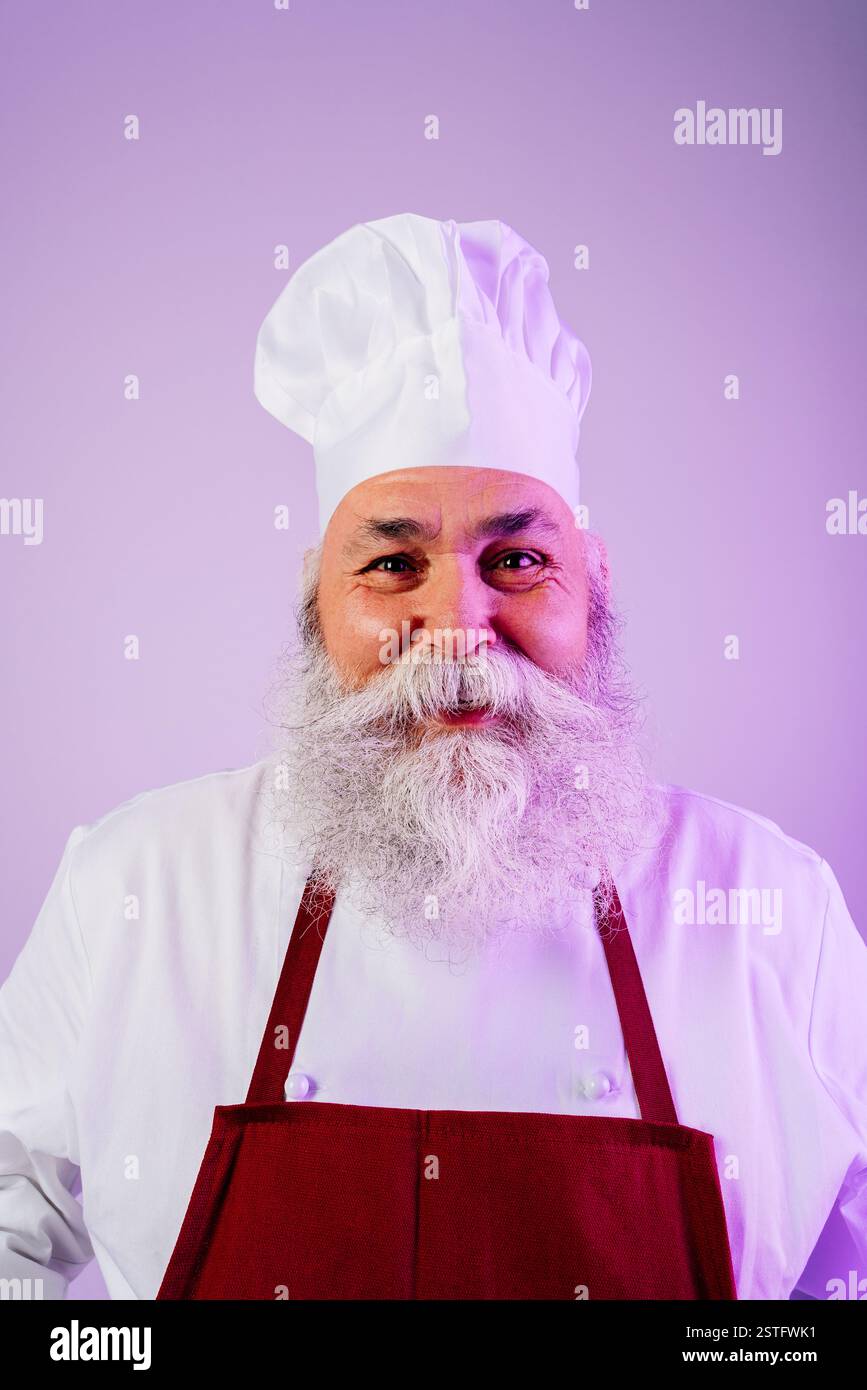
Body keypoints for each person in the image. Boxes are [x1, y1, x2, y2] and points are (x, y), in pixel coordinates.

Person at [1, 214, 865, 1300]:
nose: (458, 630)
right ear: (316, 600)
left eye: (515, 559)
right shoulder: (138, 886)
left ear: (592, 588)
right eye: (395, 561)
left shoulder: (769, 911)